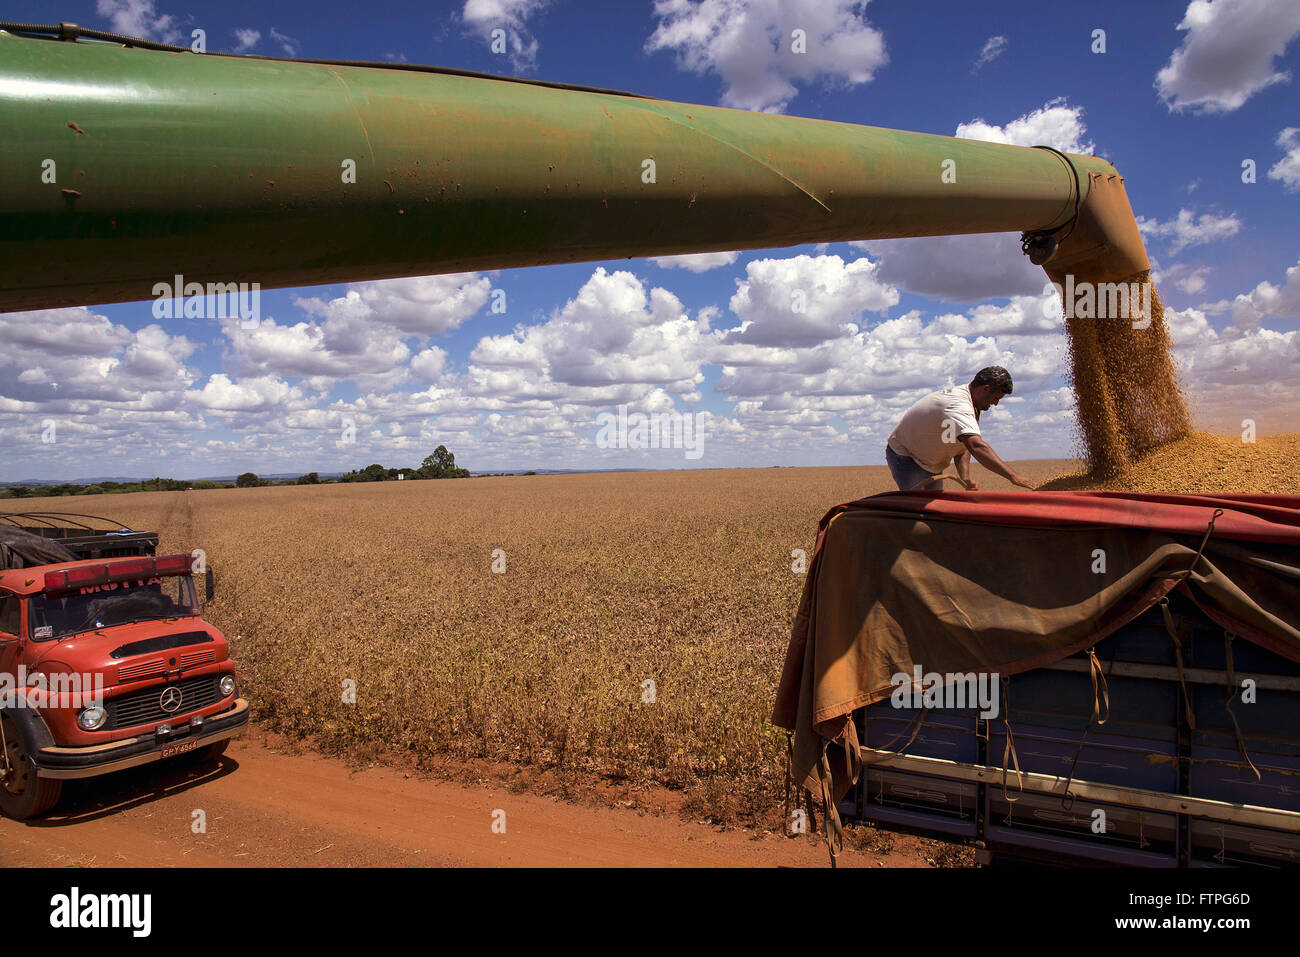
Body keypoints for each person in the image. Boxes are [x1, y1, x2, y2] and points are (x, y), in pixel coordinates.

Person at [885, 366, 1036, 491]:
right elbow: (976, 446)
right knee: (916, 511)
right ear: (985, 388)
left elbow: (962, 445)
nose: (995, 404)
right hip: (906, 457)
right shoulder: (958, 405)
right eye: (996, 398)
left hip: (932, 463)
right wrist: (1014, 476)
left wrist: (965, 479)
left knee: (934, 509)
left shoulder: (974, 406)